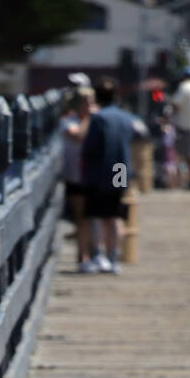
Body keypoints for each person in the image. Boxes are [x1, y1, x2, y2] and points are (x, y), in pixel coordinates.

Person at [78, 77, 134, 275]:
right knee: (114, 216)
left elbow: (91, 148)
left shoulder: (99, 118)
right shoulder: (126, 117)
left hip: (101, 172)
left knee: (96, 217)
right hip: (121, 170)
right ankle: (114, 259)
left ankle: (99, 257)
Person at [60, 87, 94, 264]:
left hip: (94, 176)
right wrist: (90, 119)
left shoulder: (96, 120)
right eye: (86, 102)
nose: (89, 105)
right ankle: (84, 256)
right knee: (83, 218)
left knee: (92, 218)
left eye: (91, 102)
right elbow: (80, 136)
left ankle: (92, 255)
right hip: (75, 178)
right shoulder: (68, 122)